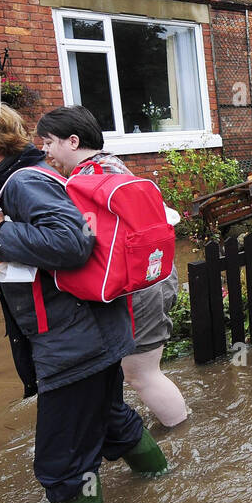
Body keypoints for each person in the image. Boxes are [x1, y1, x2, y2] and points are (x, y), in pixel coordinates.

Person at [0, 99, 169, 503]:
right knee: (109, 421)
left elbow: (70, 243)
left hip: (73, 340)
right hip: (90, 331)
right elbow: (43, 259)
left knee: (62, 457)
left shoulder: (23, 183)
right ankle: (163, 484)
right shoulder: (15, 181)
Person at [34, 104, 189, 428]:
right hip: (154, 272)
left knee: (141, 375)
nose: (45, 151)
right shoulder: (111, 167)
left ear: (72, 141)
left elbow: (81, 242)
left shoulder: (86, 182)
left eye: (48, 142)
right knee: (139, 372)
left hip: (138, 286)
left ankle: (182, 437)